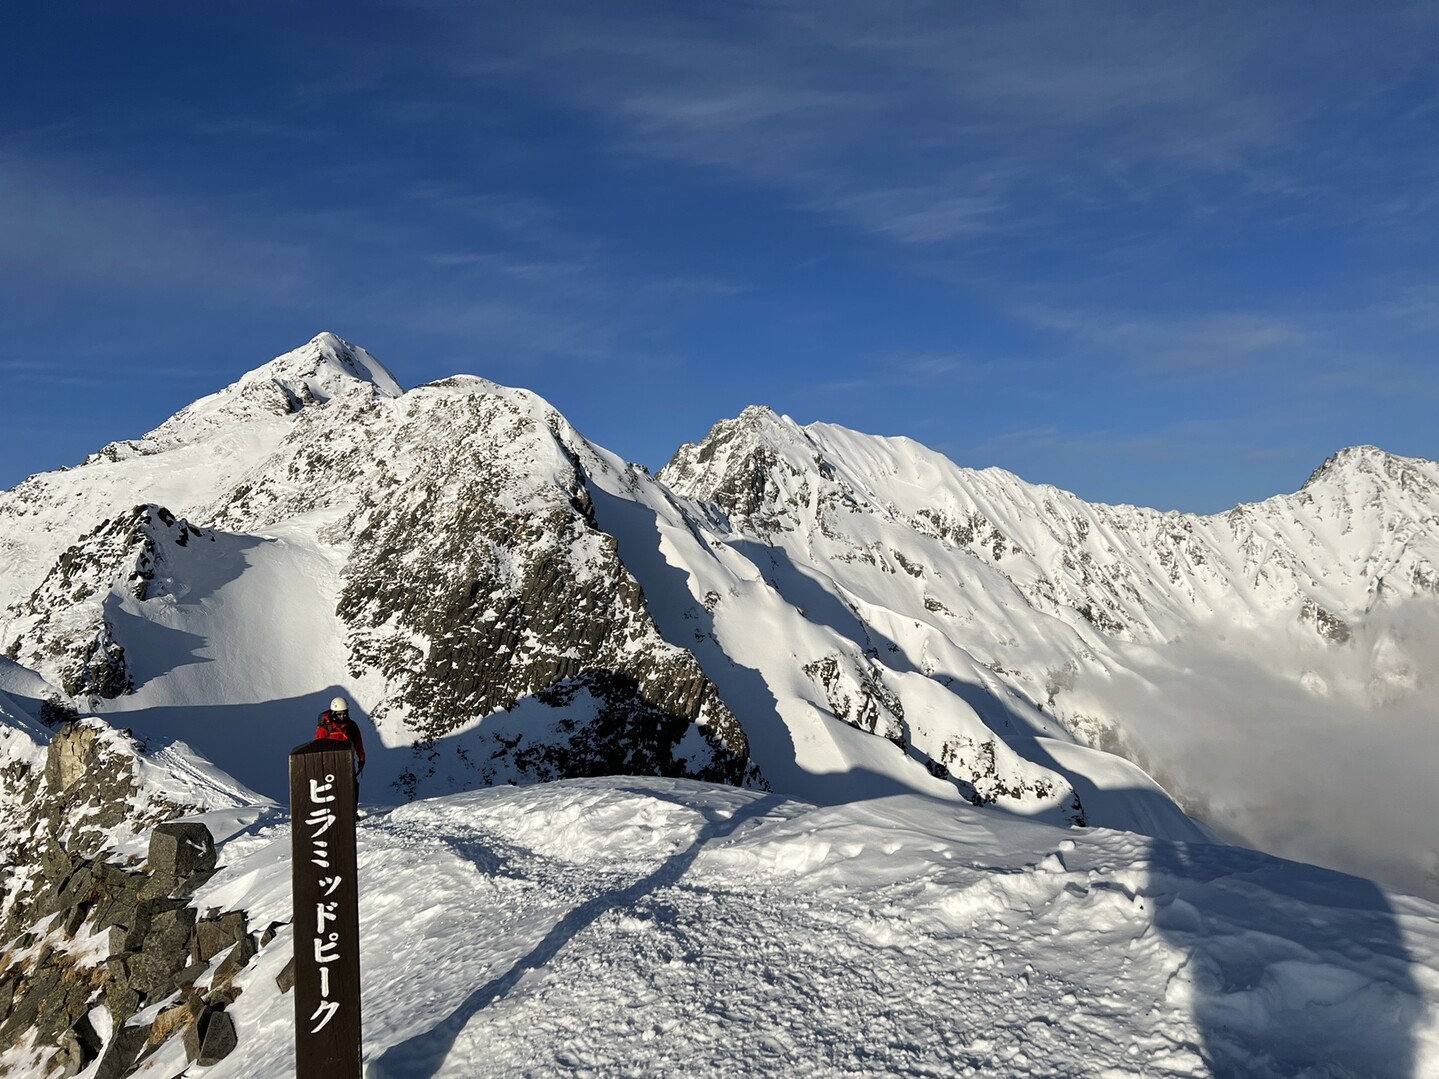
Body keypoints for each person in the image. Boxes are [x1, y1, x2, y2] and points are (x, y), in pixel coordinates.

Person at [315, 696, 366, 788]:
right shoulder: (325, 727)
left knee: (349, 788)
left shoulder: (351, 726)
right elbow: (319, 746)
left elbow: (358, 743)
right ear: (333, 713)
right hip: (329, 764)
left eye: (344, 714)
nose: (342, 717)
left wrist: (361, 758)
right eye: (339, 714)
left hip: (347, 762)